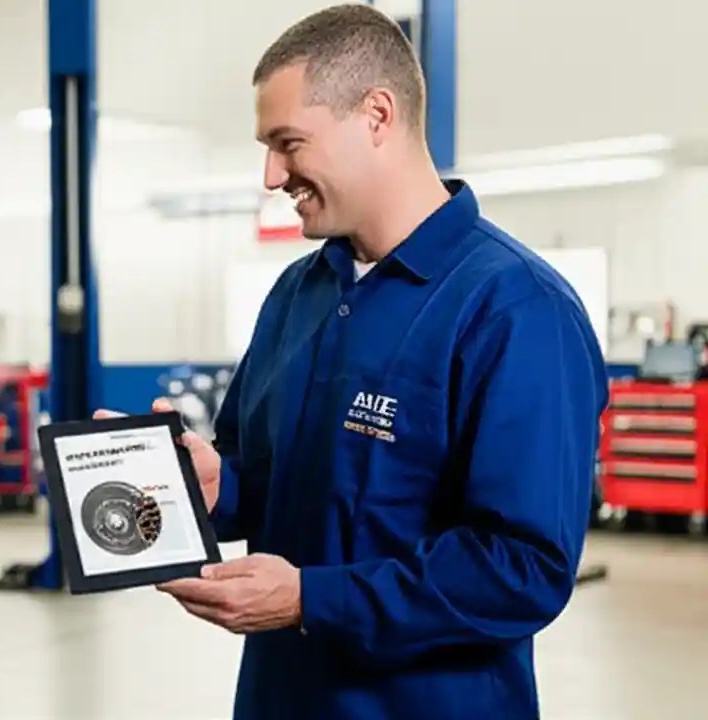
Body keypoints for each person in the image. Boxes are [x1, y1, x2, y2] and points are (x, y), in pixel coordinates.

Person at [107, 5, 609, 719]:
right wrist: (212, 485)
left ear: (377, 115)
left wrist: (310, 599)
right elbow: (267, 480)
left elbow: (522, 569)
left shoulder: (516, 310)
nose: (271, 174)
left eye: (289, 143)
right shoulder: (297, 294)